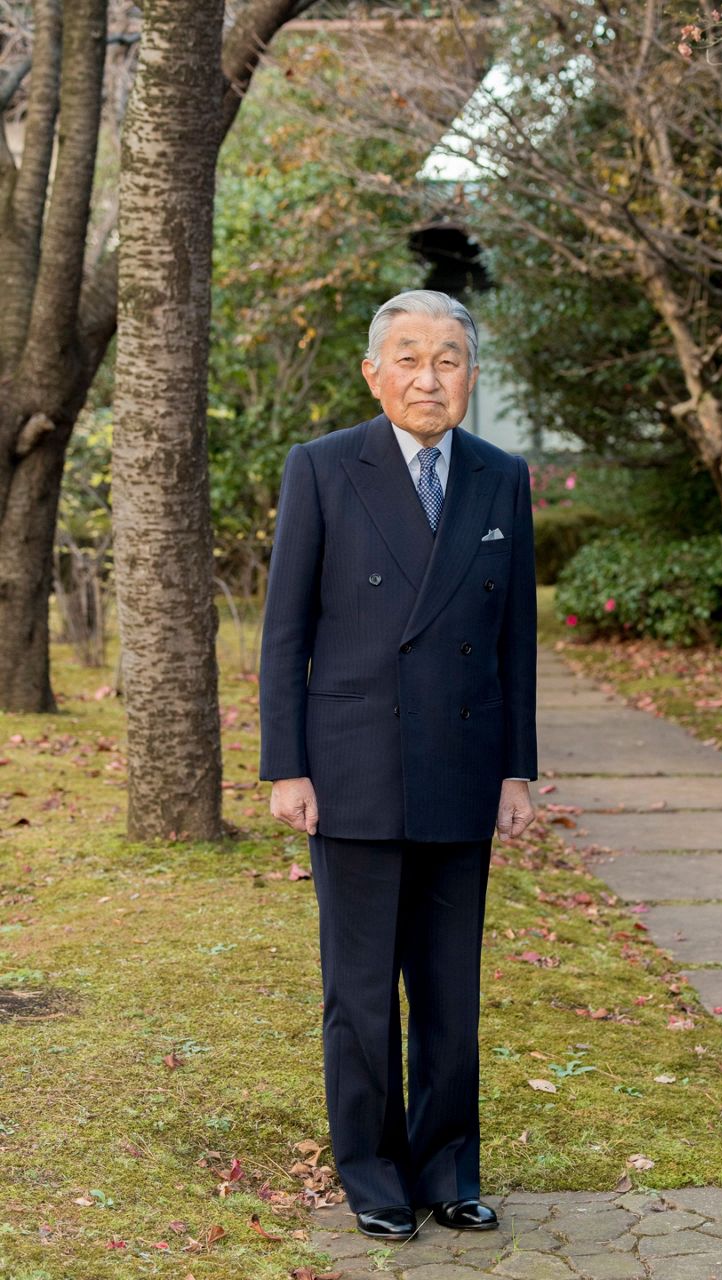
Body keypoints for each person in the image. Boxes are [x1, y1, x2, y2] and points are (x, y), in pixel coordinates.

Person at [259, 289, 537, 1241]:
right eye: (409, 358)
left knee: (451, 988)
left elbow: (514, 642)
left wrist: (516, 770)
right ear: (375, 374)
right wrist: (285, 765)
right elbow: (284, 630)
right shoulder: (325, 468)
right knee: (363, 989)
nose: (430, 377)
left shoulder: (502, 476)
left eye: (449, 358)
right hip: (353, 764)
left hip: (463, 759)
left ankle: (448, 1167)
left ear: (470, 374)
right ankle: (373, 1173)